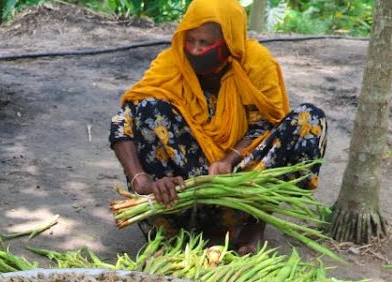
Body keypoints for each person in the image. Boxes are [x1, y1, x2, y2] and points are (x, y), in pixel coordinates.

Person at [109, 0, 327, 254]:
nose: (196, 49)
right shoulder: (171, 63)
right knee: (147, 108)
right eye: (191, 40)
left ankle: (255, 224)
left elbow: (265, 124)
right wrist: (141, 180)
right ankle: (174, 228)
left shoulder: (255, 63)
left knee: (309, 120)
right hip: (185, 189)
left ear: (230, 40)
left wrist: (228, 160)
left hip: (236, 185)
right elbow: (123, 121)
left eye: (206, 43)